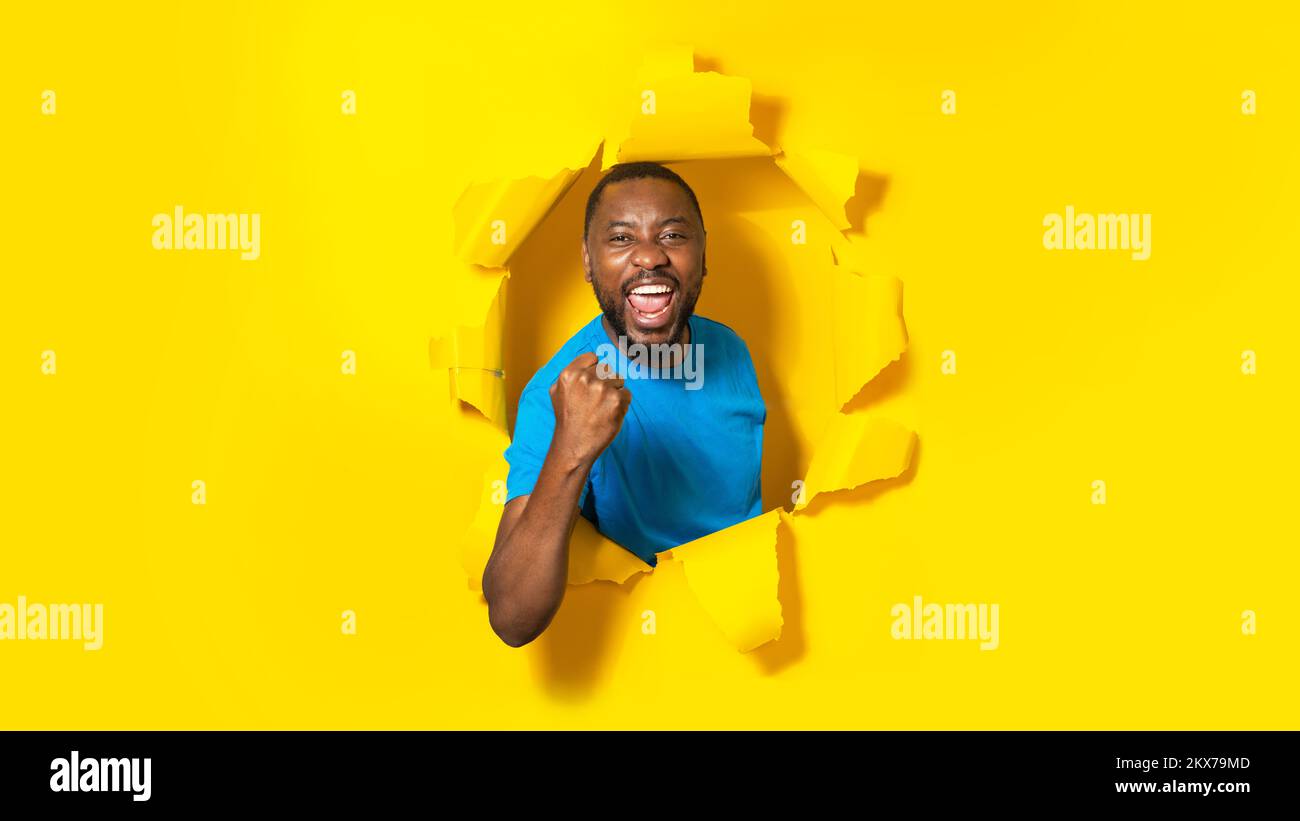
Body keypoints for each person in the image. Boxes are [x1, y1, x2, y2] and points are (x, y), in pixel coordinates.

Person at [483, 162, 765, 647]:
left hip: (746, 626)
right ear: (588, 262)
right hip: (648, 649)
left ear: (703, 253)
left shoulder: (730, 349)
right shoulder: (557, 394)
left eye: (673, 235)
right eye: (620, 239)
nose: (649, 257)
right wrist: (571, 447)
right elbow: (511, 617)